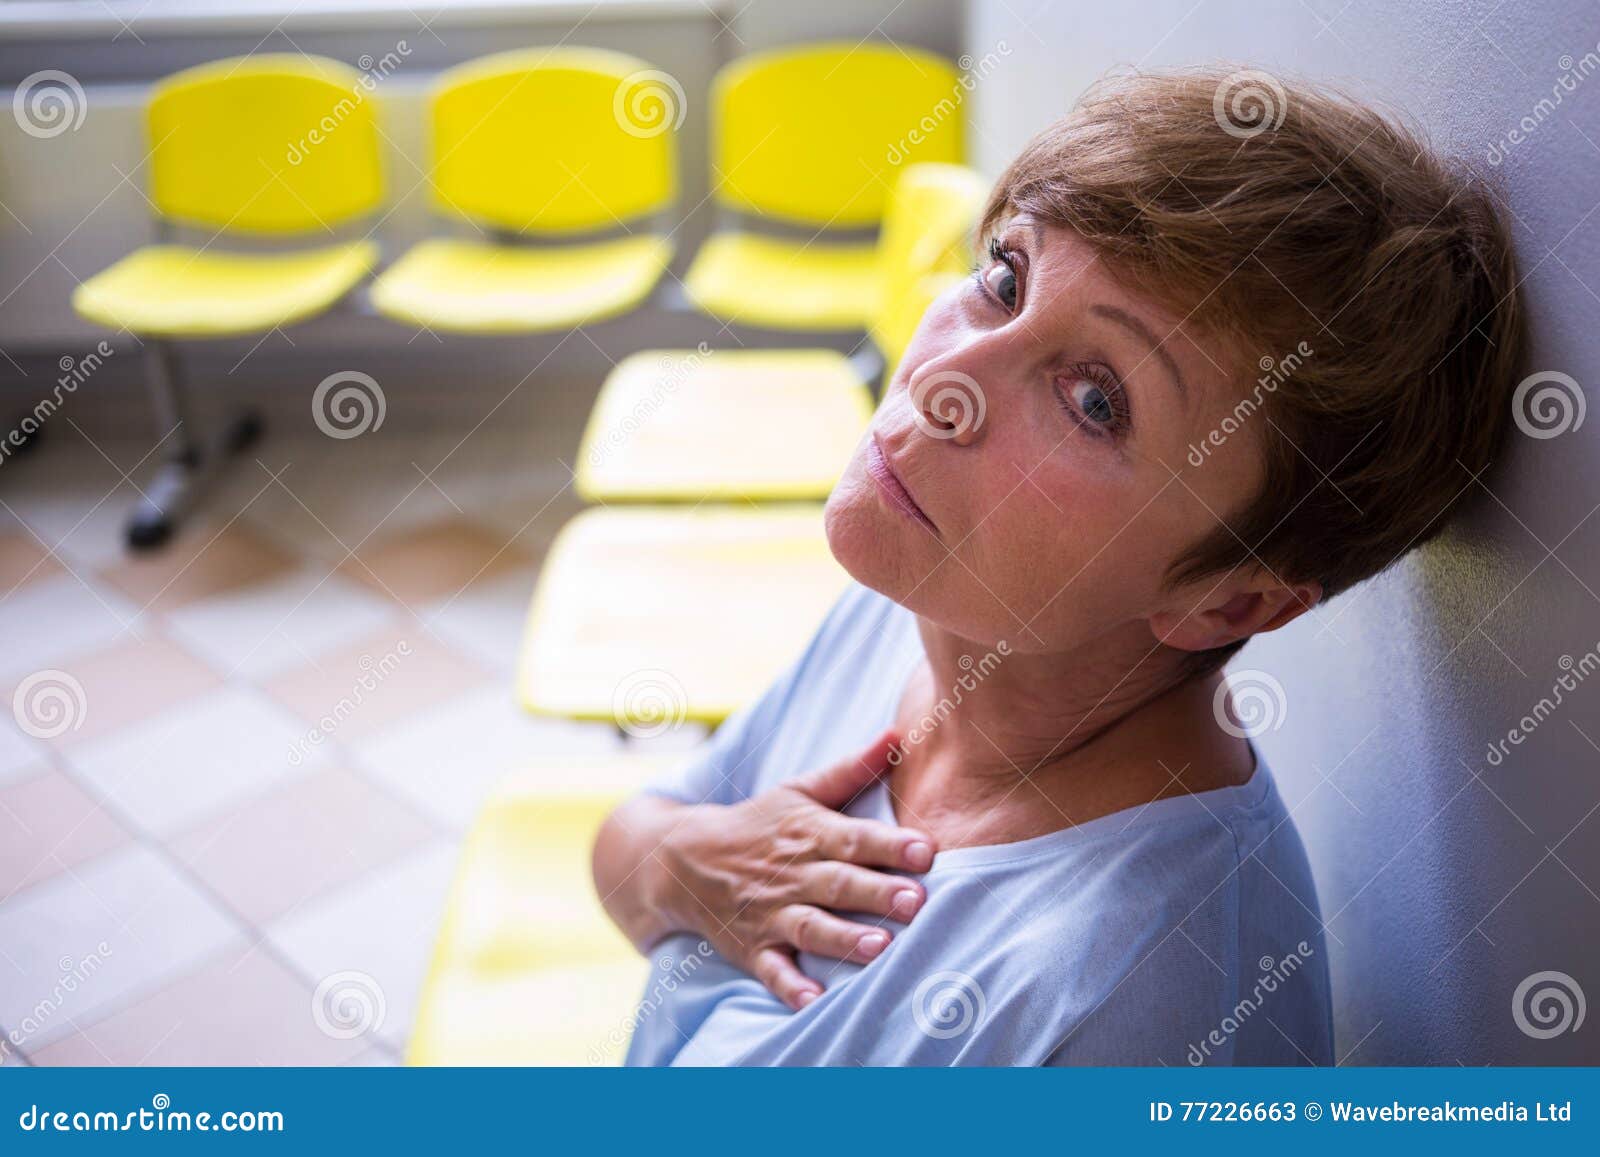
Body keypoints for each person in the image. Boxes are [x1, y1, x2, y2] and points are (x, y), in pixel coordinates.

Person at [593, 67, 1527, 1065]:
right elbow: (642, 837)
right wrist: (680, 864)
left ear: (1230, 598)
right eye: (1005, 278)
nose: (947, 378)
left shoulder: (1150, 1004)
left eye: (1093, 401)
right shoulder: (928, 607)